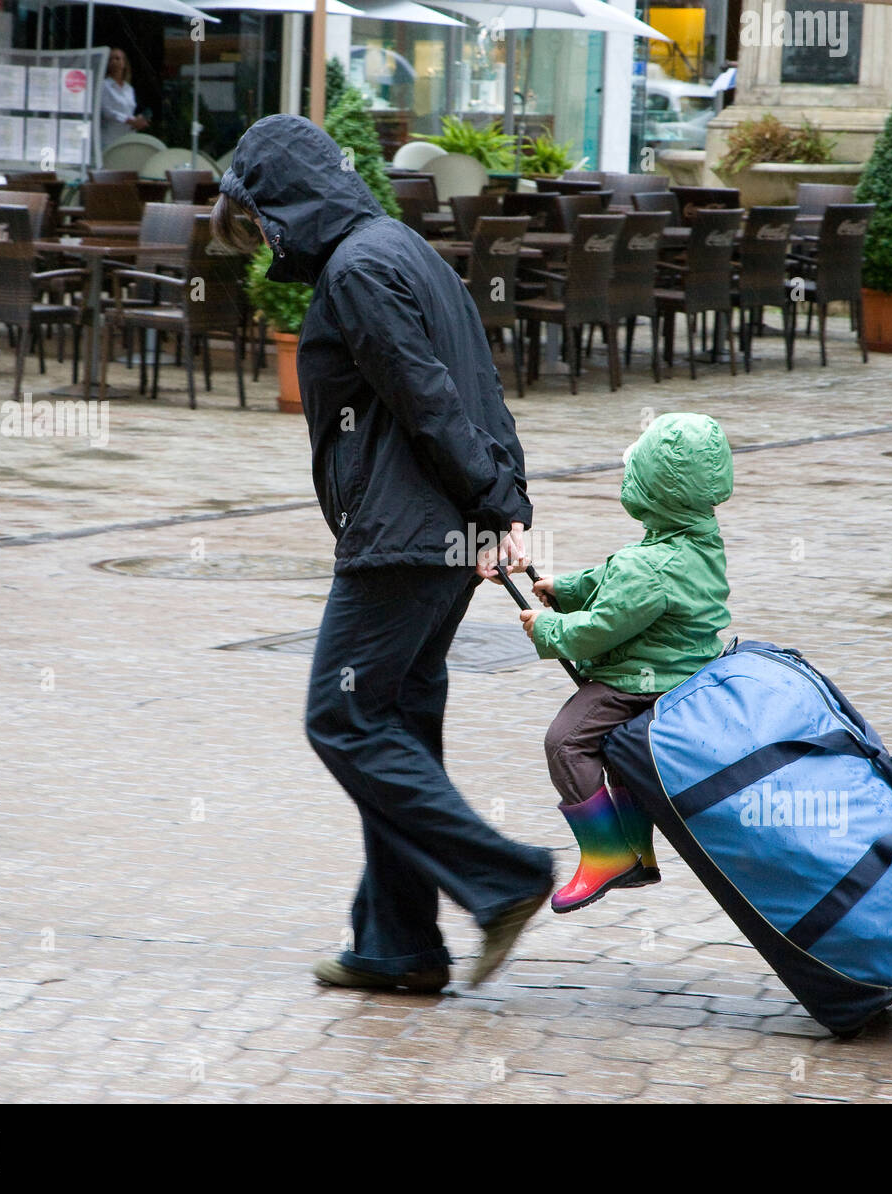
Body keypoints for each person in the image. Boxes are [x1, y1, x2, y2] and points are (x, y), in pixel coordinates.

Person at [211, 115, 554, 993]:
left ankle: (504, 878)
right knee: (397, 726)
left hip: (404, 541)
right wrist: (503, 497)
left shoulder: (358, 268)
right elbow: (478, 381)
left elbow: (432, 397)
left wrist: (495, 499)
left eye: (256, 221)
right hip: (442, 535)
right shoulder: (399, 246)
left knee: (344, 718)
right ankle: (396, 943)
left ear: (283, 203)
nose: (258, 240)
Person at [519, 412, 733, 913]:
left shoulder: (648, 569)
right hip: (684, 673)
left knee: (567, 742)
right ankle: (640, 851)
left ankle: (607, 855)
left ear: (649, 490)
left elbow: (602, 627)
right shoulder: (696, 537)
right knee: (619, 754)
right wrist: (568, 588)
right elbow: (620, 580)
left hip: (638, 679)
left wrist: (548, 628)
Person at [99, 48, 149, 150]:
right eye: (110, 59)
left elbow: (130, 110)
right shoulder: (104, 85)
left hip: (127, 138)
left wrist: (138, 120)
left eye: (117, 58)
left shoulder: (129, 89)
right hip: (110, 139)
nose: (114, 61)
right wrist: (129, 120)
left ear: (124, 63)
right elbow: (107, 111)